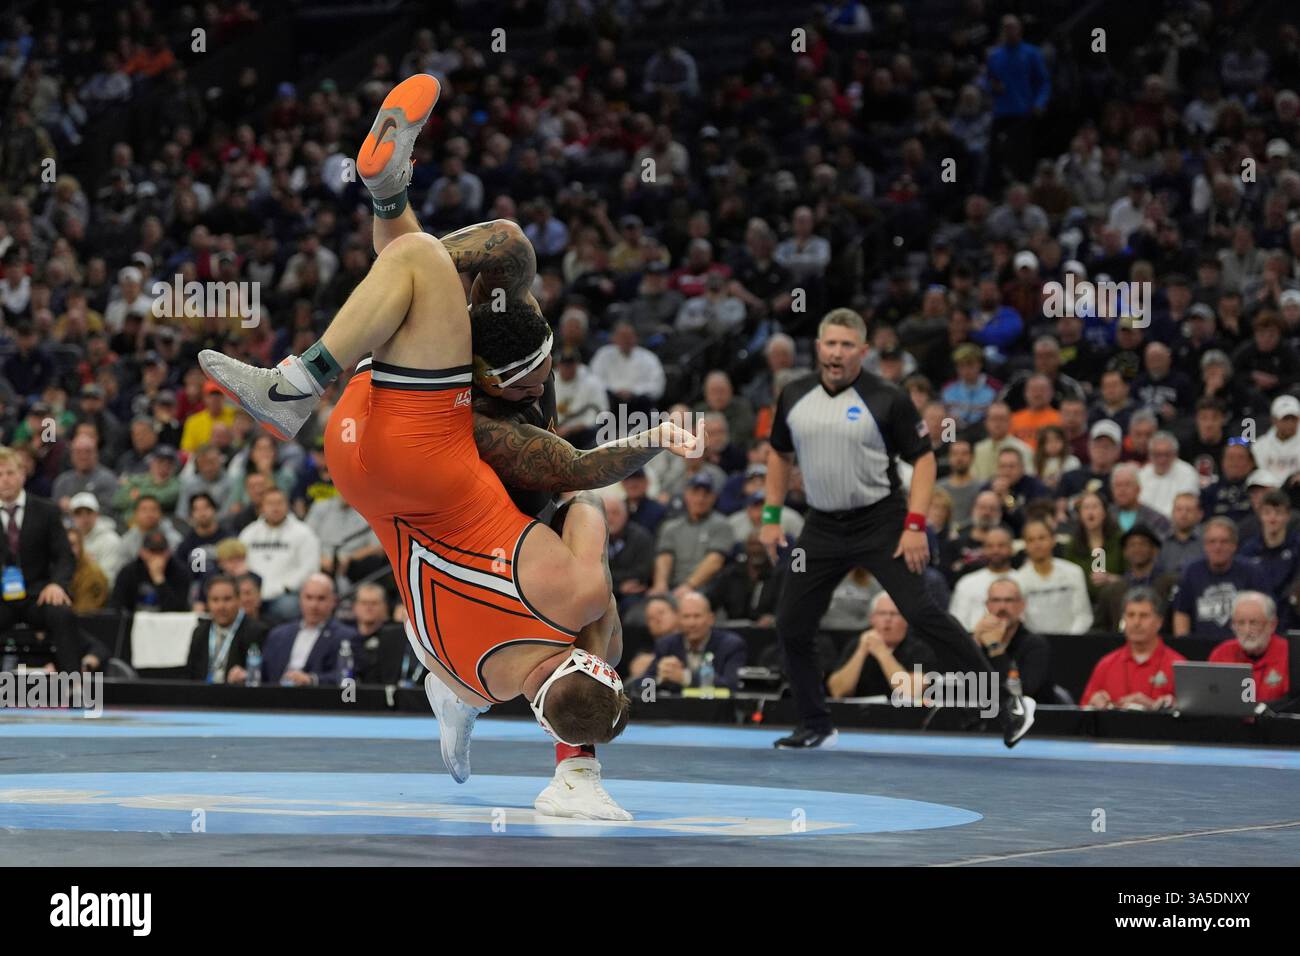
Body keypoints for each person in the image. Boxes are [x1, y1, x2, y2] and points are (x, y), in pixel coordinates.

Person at [200, 75, 697, 788]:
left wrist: (643, 445)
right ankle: (388, 197)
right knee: (463, 263)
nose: (539, 382)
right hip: (364, 470)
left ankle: (296, 382)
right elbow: (573, 644)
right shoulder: (471, 676)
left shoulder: (574, 588)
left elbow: (583, 495)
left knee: (419, 261)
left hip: (424, 462)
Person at [762, 308, 1033, 749]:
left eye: (847, 345)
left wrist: (915, 526)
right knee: (791, 623)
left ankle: (1006, 702)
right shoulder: (793, 395)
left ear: (863, 352)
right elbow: (778, 454)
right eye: (830, 343)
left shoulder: (887, 397)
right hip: (821, 526)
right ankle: (815, 723)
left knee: (923, 614)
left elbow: (924, 460)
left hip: (881, 521)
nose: (837, 352)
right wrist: (771, 517)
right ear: (818, 348)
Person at [0, 446, 95, 673]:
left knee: (61, 612)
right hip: (1, 598)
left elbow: (64, 555)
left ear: (22, 474)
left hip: (38, 595)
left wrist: (57, 584)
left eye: (10, 473)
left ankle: (73, 682)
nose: (4, 480)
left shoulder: (46, 511)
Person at [1082, 588, 1185, 710]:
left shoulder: (1179, 666)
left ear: (1159, 622)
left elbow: (1190, 718)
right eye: (1130, 615)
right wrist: (1094, 703)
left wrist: (1157, 708)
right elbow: (1084, 709)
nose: (1136, 622)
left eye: (1144, 615)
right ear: (1123, 620)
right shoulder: (1106, 664)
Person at [630, 590, 747, 694]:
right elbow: (641, 686)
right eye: (686, 617)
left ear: (711, 619)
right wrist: (660, 678)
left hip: (715, 714)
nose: (691, 623)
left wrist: (685, 677)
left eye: (697, 616)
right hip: (675, 714)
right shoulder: (666, 645)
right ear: (679, 620)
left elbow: (732, 685)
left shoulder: (731, 645)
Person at [826, 592, 937, 700]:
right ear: (872, 619)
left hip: (903, 715)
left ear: (906, 620)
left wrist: (882, 653)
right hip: (860, 715)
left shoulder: (920, 649)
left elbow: (912, 692)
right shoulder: (856, 645)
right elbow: (837, 692)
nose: (887, 619)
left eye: (894, 614)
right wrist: (861, 652)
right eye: (882, 613)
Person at [1172, 517, 1268, 640]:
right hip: (1200, 648)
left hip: (1242, 647)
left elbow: (1265, 614)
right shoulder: (1192, 572)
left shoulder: (1252, 572)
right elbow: (1181, 613)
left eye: (1224, 542)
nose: (1218, 547)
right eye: (1212, 541)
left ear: (1234, 545)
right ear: (1205, 546)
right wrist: (1183, 645)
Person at [259, 573, 355, 686]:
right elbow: (263, 672)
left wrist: (312, 680)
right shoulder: (278, 634)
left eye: (321, 598)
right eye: (309, 597)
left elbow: (347, 676)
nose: (314, 605)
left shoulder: (345, 636)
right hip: (275, 697)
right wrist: (246, 675)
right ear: (300, 599)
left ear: (333, 601)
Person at [971, 578, 1053, 702]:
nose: (1002, 607)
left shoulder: (1035, 645)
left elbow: (1021, 692)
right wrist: (974, 644)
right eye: (996, 600)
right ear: (987, 605)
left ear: (1022, 605)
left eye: (1009, 600)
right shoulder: (976, 639)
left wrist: (995, 649)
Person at [1208, 591, 1291, 705]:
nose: (1247, 630)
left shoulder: (1290, 654)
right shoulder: (1221, 654)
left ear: (1272, 624)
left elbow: (1293, 702)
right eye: (1241, 623)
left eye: (1254, 623)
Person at [1013, 518, 1093, 634]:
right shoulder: (1017, 580)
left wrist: (1070, 639)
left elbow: (1083, 615)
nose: (1037, 544)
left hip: (1072, 640)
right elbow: (1020, 619)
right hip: (1034, 644)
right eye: (1031, 540)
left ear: (1053, 540)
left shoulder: (1074, 572)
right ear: (1025, 545)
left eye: (1042, 538)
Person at [187, 573, 269, 683]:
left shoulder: (256, 631)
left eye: (227, 599)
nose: (221, 606)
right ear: (208, 603)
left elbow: (265, 675)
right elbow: (190, 675)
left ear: (239, 600)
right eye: (215, 600)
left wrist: (246, 675)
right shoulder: (200, 632)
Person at [949, 525, 1017, 630]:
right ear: (983, 549)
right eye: (990, 546)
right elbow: (957, 625)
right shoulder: (966, 583)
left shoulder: (1023, 581)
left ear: (1011, 548)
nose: (996, 550)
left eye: (1001, 545)